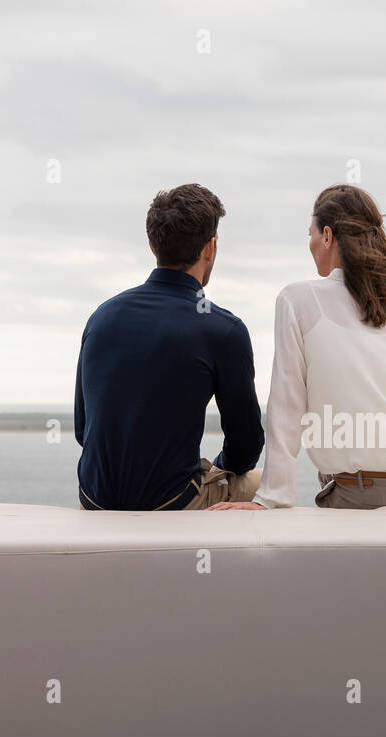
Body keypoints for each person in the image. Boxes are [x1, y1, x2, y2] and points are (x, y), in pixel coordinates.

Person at [211, 184, 386, 511]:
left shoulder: (297, 299)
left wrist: (272, 498)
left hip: (364, 491)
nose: (310, 244)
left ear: (327, 236)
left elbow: (287, 408)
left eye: (310, 233)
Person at [75, 184, 264, 510]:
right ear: (210, 247)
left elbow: (83, 430)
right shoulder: (224, 329)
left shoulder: (101, 317)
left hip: (95, 500)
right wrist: (214, 467)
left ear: (152, 245)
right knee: (265, 482)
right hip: (170, 502)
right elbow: (245, 448)